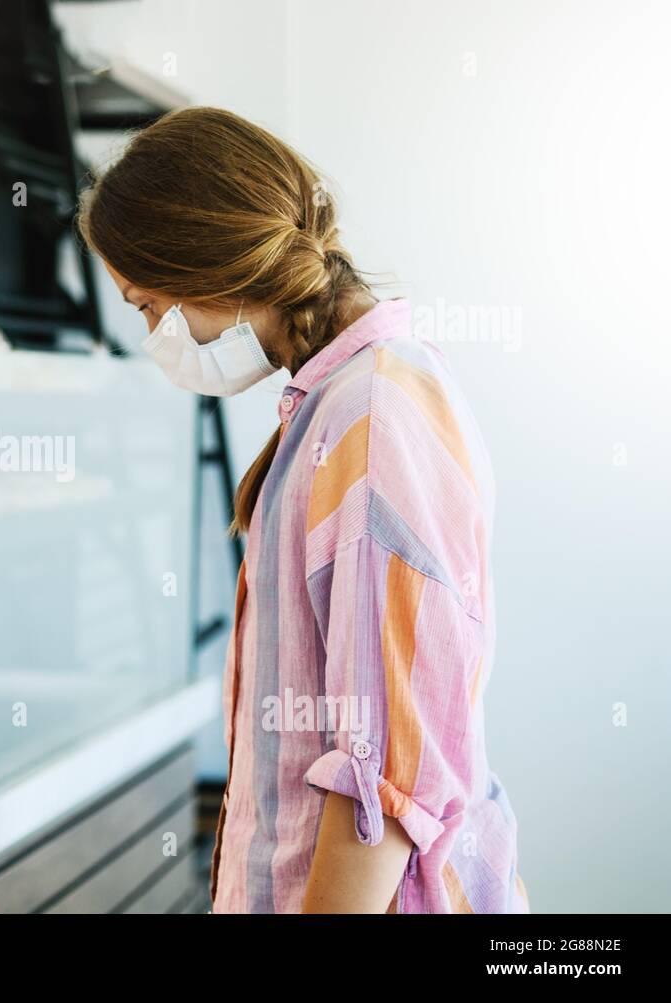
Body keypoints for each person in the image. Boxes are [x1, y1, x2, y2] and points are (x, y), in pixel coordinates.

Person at [77, 107, 527, 914]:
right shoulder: (338, 404)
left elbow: (382, 792)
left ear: (209, 266)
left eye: (146, 306)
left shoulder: (372, 417)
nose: (152, 335)